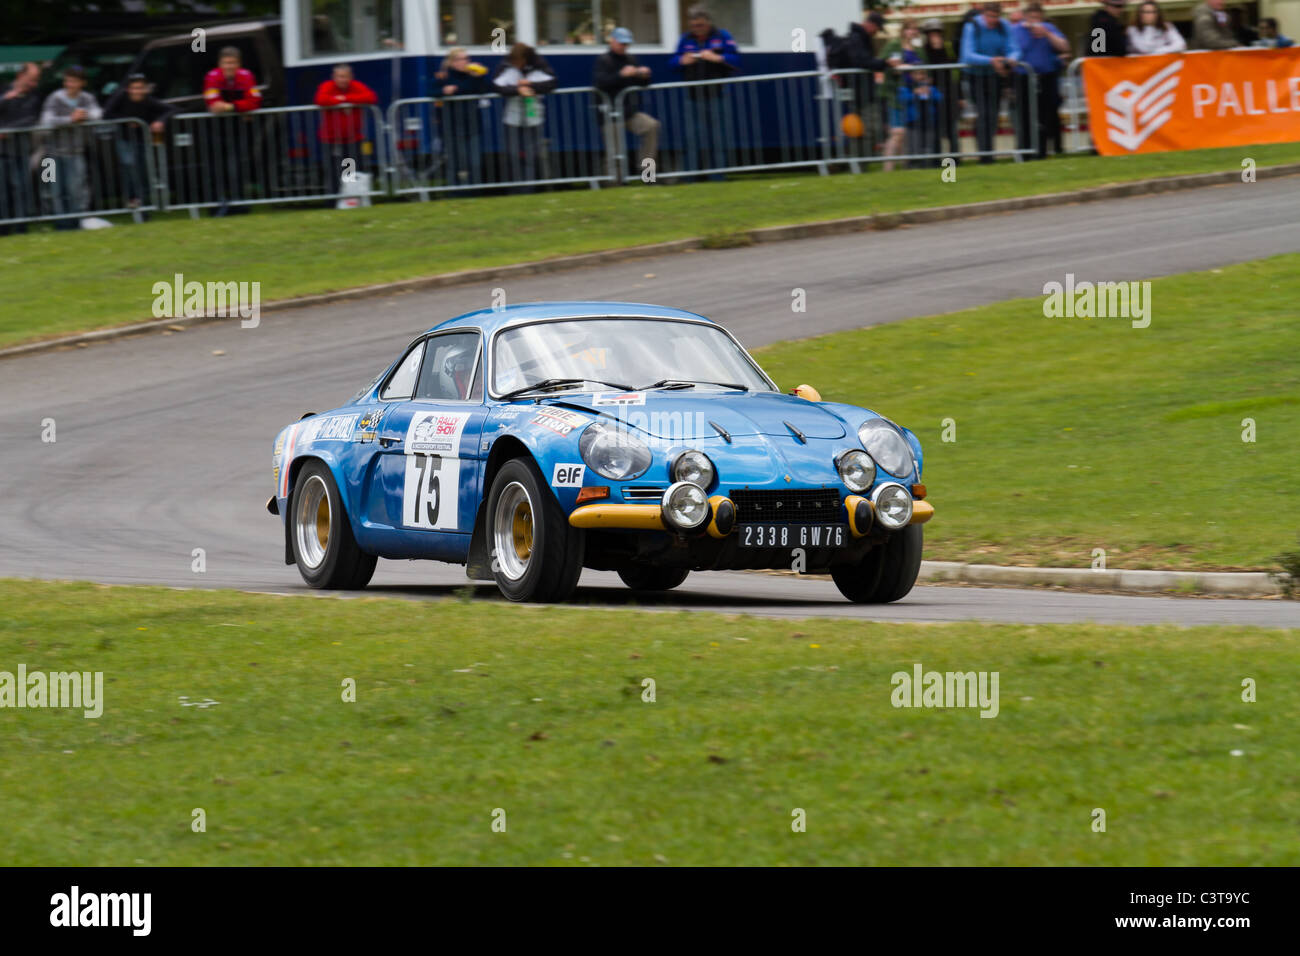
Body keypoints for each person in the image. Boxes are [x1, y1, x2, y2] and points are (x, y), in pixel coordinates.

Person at [672, 5, 740, 181]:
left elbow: (736, 59)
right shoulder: (685, 39)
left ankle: (717, 177)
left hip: (717, 95)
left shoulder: (722, 36)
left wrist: (718, 58)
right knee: (692, 139)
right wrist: (682, 61)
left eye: (700, 25)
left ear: (708, 23)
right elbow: (671, 63)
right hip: (693, 97)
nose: (697, 29)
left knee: (719, 138)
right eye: (694, 25)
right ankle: (690, 177)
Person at [820, 11, 889, 162]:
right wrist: (884, 63)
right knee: (869, 129)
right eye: (877, 28)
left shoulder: (858, 37)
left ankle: (857, 163)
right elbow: (862, 61)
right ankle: (859, 163)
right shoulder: (857, 39)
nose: (877, 32)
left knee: (859, 130)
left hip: (859, 92)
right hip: (862, 93)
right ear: (870, 25)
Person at [39, 66, 102, 230]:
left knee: (76, 189)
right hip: (50, 155)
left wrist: (85, 116)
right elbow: (46, 121)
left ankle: (76, 221)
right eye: (67, 80)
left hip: (76, 152)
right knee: (53, 189)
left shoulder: (87, 98)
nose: (69, 84)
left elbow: (98, 114)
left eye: (73, 81)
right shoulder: (54, 98)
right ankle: (59, 222)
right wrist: (70, 119)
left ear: (82, 83)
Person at [593, 27, 658, 182]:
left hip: (629, 112)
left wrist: (643, 75)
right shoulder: (604, 60)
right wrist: (621, 75)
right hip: (609, 114)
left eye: (627, 44)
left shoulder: (631, 59)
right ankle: (613, 184)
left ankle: (647, 174)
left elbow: (643, 84)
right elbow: (600, 84)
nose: (624, 46)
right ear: (612, 41)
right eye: (621, 43)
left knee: (652, 126)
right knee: (614, 152)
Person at [203, 47, 262, 215]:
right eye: (226, 62)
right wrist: (241, 108)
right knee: (216, 167)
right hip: (216, 128)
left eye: (233, 62)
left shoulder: (246, 76)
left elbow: (255, 102)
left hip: (237, 128)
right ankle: (216, 205)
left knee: (237, 166)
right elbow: (213, 103)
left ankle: (239, 203)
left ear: (239, 64)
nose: (230, 66)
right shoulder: (212, 77)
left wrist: (230, 106)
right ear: (220, 64)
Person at [491, 42, 557, 191]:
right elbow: (497, 86)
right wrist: (517, 90)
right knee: (513, 154)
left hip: (532, 111)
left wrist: (531, 85)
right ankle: (515, 189)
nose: (517, 64)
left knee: (531, 155)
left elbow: (552, 83)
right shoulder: (506, 65)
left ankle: (529, 189)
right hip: (512, 116)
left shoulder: (539, 64)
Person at [103, 74, 176, 210]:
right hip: (124, 138)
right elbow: (107, 113)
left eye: (141, 88)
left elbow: (171, 109)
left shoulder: (148, 100)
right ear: (128, 89)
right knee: (129, 163)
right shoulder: (120, 98)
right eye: (134, 88)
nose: (137, 91)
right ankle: (132, 197)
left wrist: (160, 120)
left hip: (142, 140)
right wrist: (126, 120)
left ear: (145, 89)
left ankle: (140, 201)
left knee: (141, 170)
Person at [961, 3, 1021, 164]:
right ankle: (984, 156)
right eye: (990, 16)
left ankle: (989, 153)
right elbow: (967, 55)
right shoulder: (972, 26)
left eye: (996, 17)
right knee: (984, 114)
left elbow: (1014, 48)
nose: (993, 20)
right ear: (983, 14)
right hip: (975, 76)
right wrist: (991, 60)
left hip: (994, 76)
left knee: (993, 116)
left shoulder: (1004, 26)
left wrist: (1011, 59)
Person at [314, 63, 378, 197]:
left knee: (350, 171)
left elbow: (371, 97)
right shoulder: (327, 86)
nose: (342, 80)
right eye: (339, 76)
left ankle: (350, 198)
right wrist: (347, 102)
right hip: (330, 140)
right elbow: (321, 99)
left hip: (352, 139)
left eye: (345, 76)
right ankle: (333, 200)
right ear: (334, 77)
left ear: (351, 77)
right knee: (332, 172)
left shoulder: (356, 86)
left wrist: (343, 99)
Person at [1014, 3, 1069, 159]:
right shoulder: (1016, 30)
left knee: (1046, 116)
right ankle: (1025, 152)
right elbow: (1013, 51)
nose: (1035, 21)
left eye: (1038, 18)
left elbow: (1064, 46)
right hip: (1024, 77)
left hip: (1047, 77)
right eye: (1032, 18)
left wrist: (1047, 34)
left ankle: (1042, 152)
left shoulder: (1048, 28)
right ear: (1025, 16)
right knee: (1025, 116)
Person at [434, 47, 489, 191]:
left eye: (467, 59)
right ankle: (455, 192)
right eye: (462, 59)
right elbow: (431, 90)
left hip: (473, 125)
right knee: (456, 162)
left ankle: (475, 192)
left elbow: (485, 88)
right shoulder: (444, 76)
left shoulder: (473, 76)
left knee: (475, 162)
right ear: (452, 62)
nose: (466, 62)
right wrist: (443, 91)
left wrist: (478, 77)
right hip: (452, 126)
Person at [0, 62, 43, 234]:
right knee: (2, 192)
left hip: (20, 150)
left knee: (21, 189)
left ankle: (20, 228)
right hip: (1, 151)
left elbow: (30, 119)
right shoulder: (3, 91)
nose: (34, 84)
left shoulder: (34, 97)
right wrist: (6, 99)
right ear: (20, 76)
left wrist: (6, 130)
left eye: (36, 80)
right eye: (31, 80)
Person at [881, 19, 924, 171]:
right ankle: (888, 167)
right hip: (897, 93)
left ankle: (905, 166)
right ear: (904, 30)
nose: (912, 32)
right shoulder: (894, 45)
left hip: (913, 96)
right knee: (897, 132)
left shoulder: (918, 49)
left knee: (904, 134)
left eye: (915, 29)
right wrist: (902, 67)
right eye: (910, 29)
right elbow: (887, 63)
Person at [920, 20, 961, 161]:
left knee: (951, 128)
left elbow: (956, 71)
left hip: (950, 92)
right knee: (935, 127)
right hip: (932, 93)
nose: (934, 36)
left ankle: (955, 158)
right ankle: (936, 159)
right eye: (931, 33)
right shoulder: (924, 50)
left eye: (937, 33)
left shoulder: (948, 47)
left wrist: (960, 96)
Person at [898, 68, 944, 166]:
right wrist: (915, 93)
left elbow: (939, 97)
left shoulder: (931, 88)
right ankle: (913, 164)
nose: (920, 77)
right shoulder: (906, 87)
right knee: (914, 144)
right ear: (911, 75)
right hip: (913, 121)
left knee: (930, 143)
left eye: (922, 74)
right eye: (917, 74)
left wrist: (930, 92)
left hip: (929, 120)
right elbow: (902, 99)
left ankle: (931, 163)